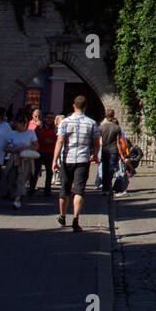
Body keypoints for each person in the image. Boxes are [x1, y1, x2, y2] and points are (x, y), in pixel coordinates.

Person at [53, 96, 100, 232]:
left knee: (65, 189)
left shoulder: (65, 122)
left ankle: (62, 216)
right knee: (79, 190)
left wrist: (55, 160)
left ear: (74, 106)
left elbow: (60, 141)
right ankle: (76, 219)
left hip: (67, 158)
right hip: (83, 159)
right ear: (85, 107)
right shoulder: (91, 123)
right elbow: (96, 142)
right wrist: (95, 155)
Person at [5, 114, 38, 209]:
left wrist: (25, 148)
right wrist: (12, 150)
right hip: (14, 158)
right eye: (16, 124)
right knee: (11, 178)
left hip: (25, 159)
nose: (16, 126)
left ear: (24, 124)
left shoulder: (30, 133)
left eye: (18, 124)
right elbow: (6, 146)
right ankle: (14, 194)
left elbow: (36, 146)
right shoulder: (12, 133)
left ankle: (17, 199)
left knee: (21, 178)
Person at [29, 110, 58, 196]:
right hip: (39, 151)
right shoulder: (39, 128)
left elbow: (58, 140)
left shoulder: (55, 129)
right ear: (44, 118)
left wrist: (52, 141)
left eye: (52, 118)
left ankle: (47, 190)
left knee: (49, 172)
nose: (50, 120)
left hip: (50, 152)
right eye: (48, 118)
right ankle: (32, 189)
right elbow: (33, 138)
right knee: (35, 171)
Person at [98, 110, 123, 197]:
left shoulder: (101, 127)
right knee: (111, 170)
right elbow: (118, 142)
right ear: (113, 115)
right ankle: (108, 187)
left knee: (105, 169)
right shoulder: (117, 127)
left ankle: (105, 188)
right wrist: (121, 154)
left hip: (105, 149)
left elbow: (99, 140)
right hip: (113, 150)